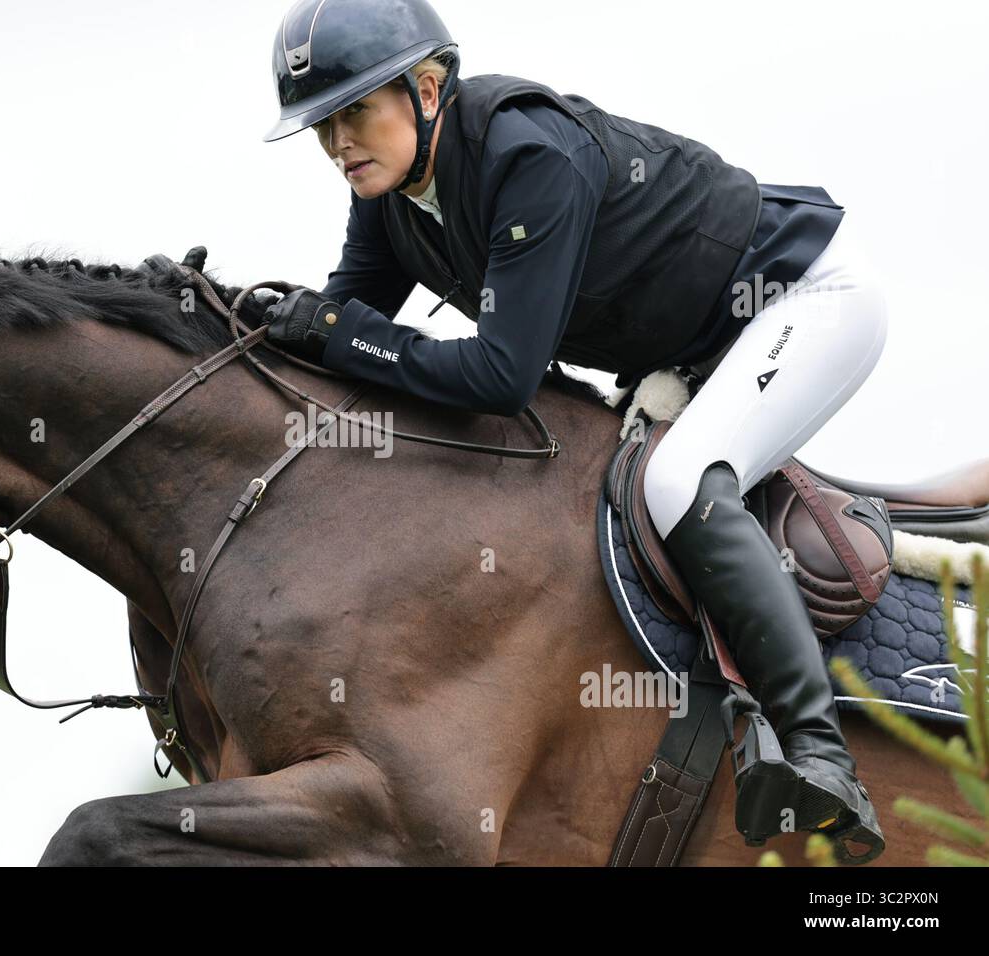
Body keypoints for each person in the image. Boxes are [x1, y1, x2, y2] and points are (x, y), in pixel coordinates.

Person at [260, 0, 886, 862]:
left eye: (355, 110)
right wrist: (252, 328)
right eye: (322, 125)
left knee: (677, 483)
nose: (337, 144)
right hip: (700, 353)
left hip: (803, 302)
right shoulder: (389, 192)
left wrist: (334, 331)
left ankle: (819, 755)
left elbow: (499, 375)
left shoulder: (526, 154)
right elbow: (346, 324)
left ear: (430, 86)